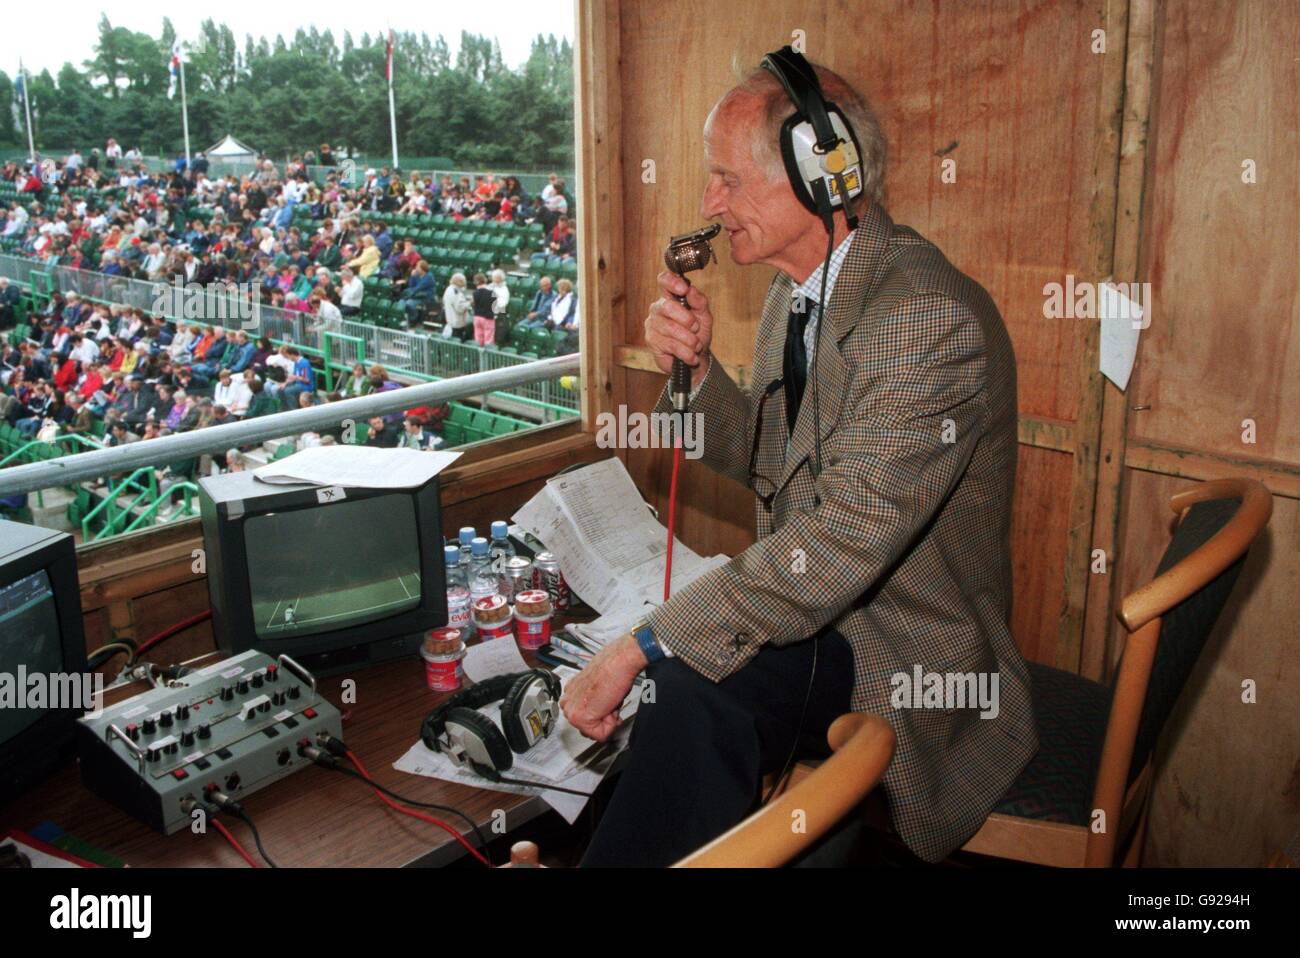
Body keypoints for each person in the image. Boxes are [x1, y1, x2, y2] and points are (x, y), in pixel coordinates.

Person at [562, 51, 1036, 868]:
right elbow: (764, 458)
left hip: (907, 650)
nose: (709, 203)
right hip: (831, 609)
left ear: (825, 177)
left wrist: (639, 644)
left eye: (728, 181)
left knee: (690, 687)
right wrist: (699, 373)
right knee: (687, 692)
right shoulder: (800, 288)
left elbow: (840, 542)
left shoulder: (925, 320)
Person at [441, 272, 472, 341]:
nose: (465, 283)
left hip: (450, 320)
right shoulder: (456, 292)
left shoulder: (448, 289)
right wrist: (469, 303)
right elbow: (460, 308)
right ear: (459, 282)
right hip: (457, 323)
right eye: (464, 281)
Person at [470, 273, 496, 347]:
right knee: (488, 339)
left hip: (477, 317)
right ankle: (486, 357)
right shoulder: (491, 293)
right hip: (488, 318)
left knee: (478, 338)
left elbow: (472, 303)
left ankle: (479, 356)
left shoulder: (475, 293)